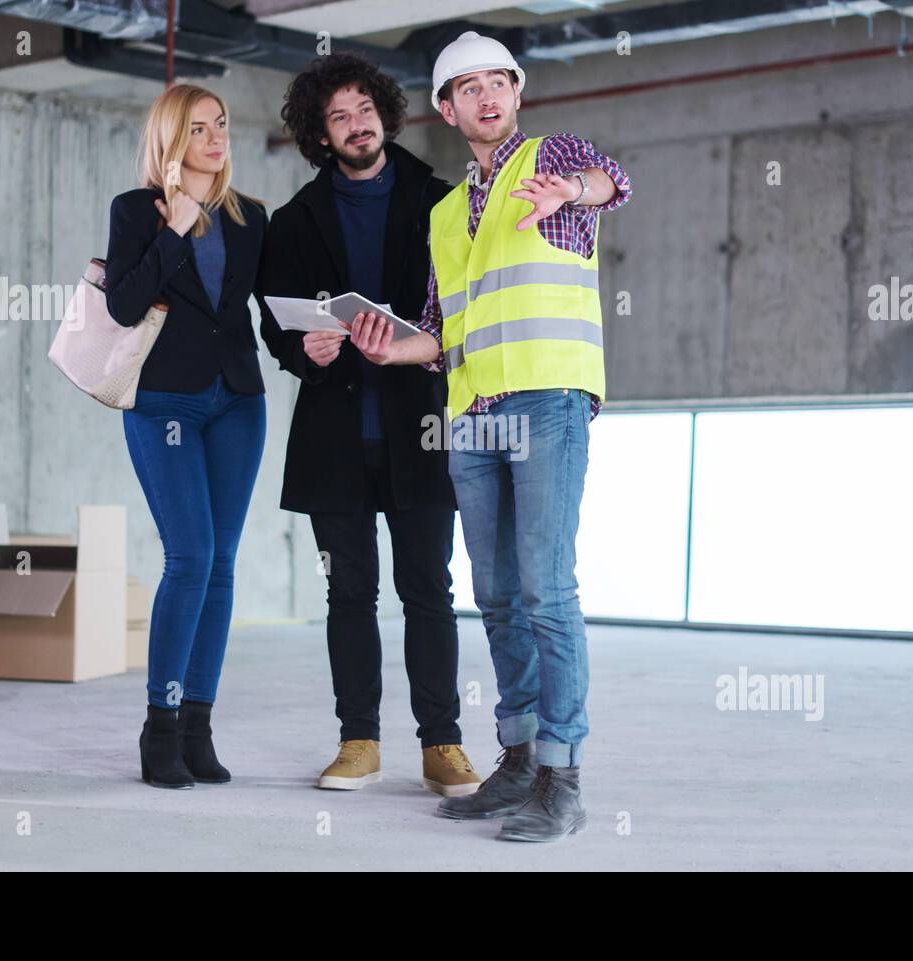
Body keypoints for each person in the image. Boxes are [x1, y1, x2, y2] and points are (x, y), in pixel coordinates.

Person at [346, 31, 632, 841]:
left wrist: (570, 192)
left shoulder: (552, 156)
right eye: (466, 88)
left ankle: (562, 775)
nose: (485, 97)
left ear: (515, 90)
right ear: (446, 108)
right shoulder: (443, 213)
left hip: (548, 397)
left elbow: (614, 183)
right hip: (471, 413)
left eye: (497, 83)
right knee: (499, 594)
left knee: (546, 588)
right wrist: (386, 345)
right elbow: (440, 330)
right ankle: (516, 757)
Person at [259, 54, 480, 797]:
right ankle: (358, 741)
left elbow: (466, 313)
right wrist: (306, 349)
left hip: (420, 430)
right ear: (322, 136)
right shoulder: (291, 223)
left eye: (365, 109)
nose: (358, 125)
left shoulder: (443, 203)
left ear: (385, 112)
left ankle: (442, 745)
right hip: (333, 439)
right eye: (340, 117)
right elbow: (277, 326)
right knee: (348, 594)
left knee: (429, 590)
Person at [105, 83, 269, 790]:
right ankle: (160, 727)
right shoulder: (136, 211)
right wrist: (174, 229)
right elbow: (122, 304)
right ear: (171, 139)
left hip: (238, 399)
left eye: (222, 124)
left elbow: (270, 312)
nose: (216, 137)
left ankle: (199, 727)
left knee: (223, 562)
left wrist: (319, 347)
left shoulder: (251, 216)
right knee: (190, 555)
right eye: (199, 127)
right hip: (163, 399)